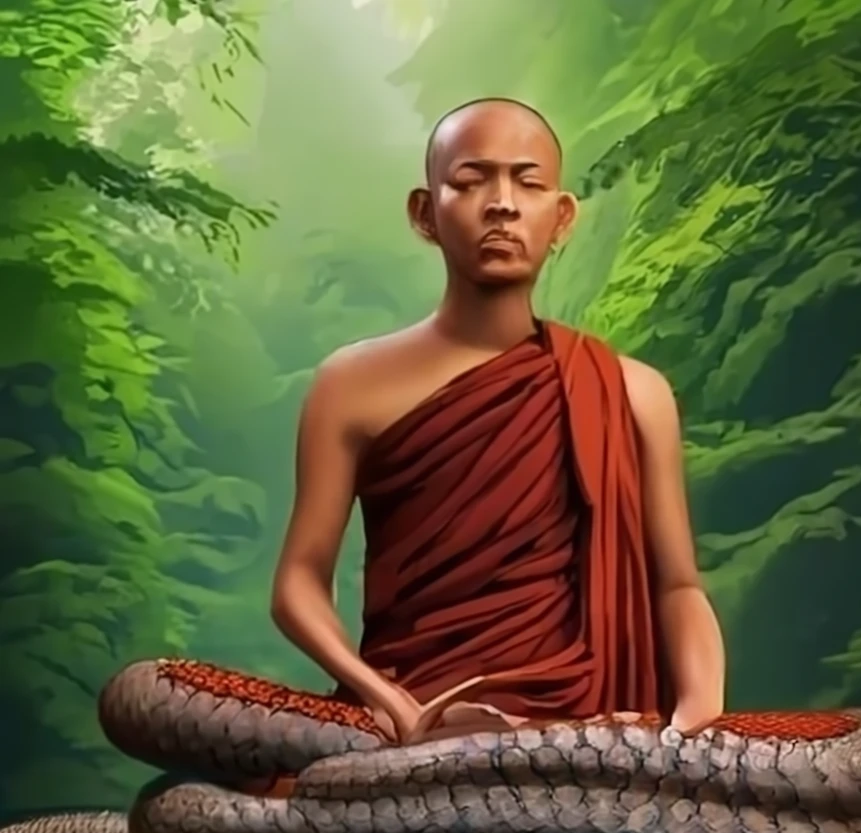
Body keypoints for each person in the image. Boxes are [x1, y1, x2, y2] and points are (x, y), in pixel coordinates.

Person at [270, 97, 725, 747]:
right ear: (425, 213)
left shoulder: (631, 391)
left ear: (561, 217)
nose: (502, 203)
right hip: (413, 707)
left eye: (528, 182)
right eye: (470, 180)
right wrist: (383, 696)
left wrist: (694, 721)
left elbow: (678, 583)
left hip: (590, 718)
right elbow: (298, 583)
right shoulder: (351, 383)